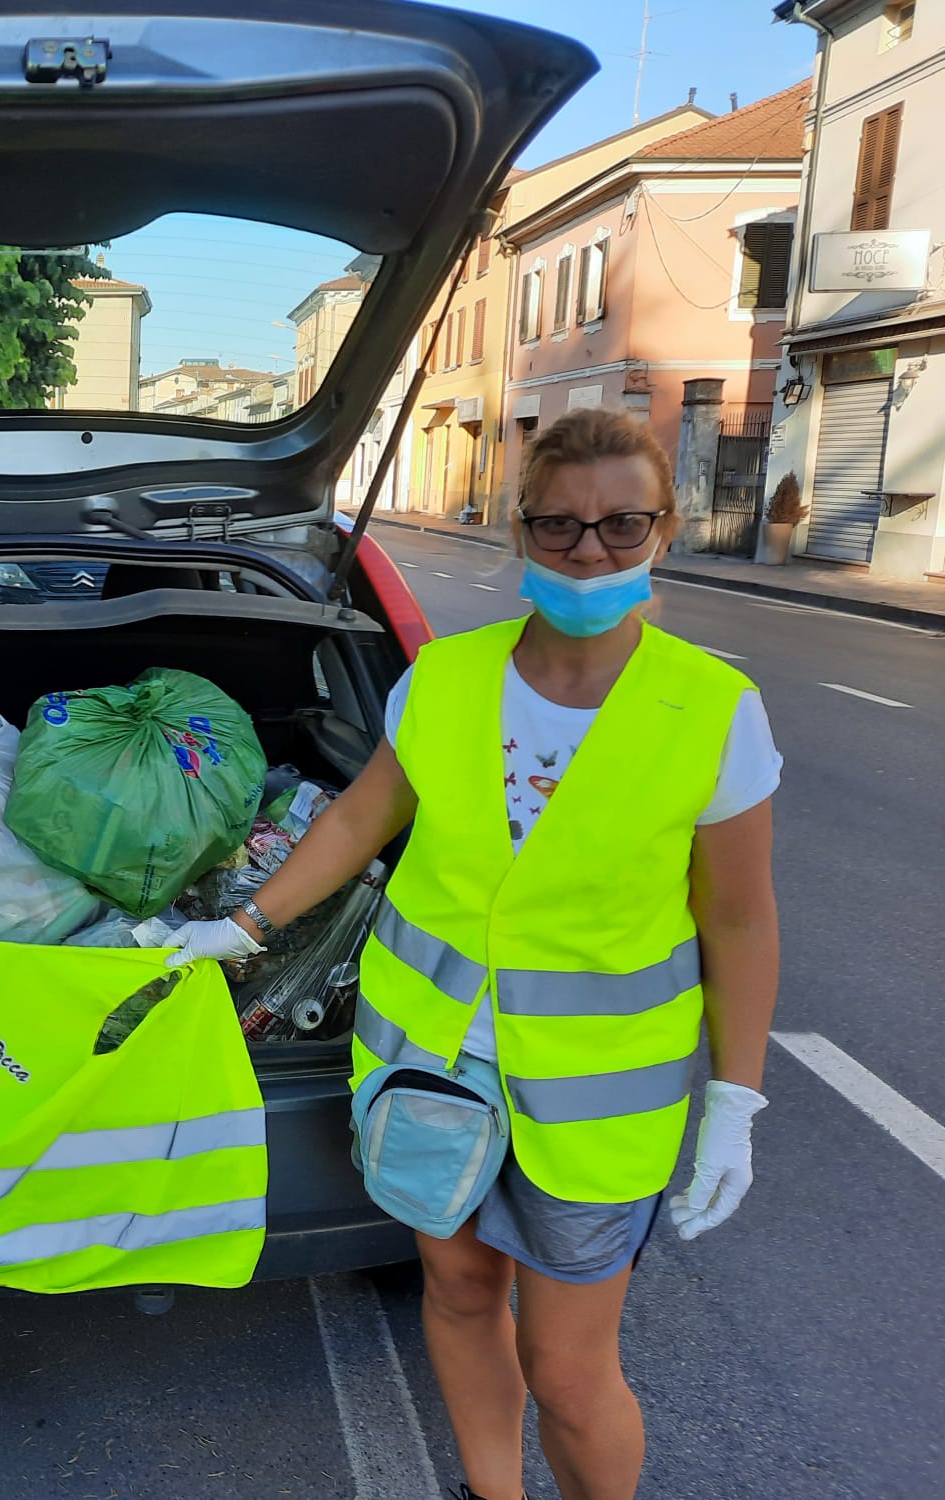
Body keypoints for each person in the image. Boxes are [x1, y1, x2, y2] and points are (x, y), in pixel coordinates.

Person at [169, 406, 781, 1500]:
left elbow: (737, 919)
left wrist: (735, 1099)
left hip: (596, 1103)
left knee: (568, 1372)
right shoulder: (444, 680)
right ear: (520, 529)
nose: (587, 551)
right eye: (557, 525)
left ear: (664, 528)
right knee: (455, 1295)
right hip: (428, 1059)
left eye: (620, 524)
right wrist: (246, 923)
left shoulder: (713, 711)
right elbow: (361, 818)